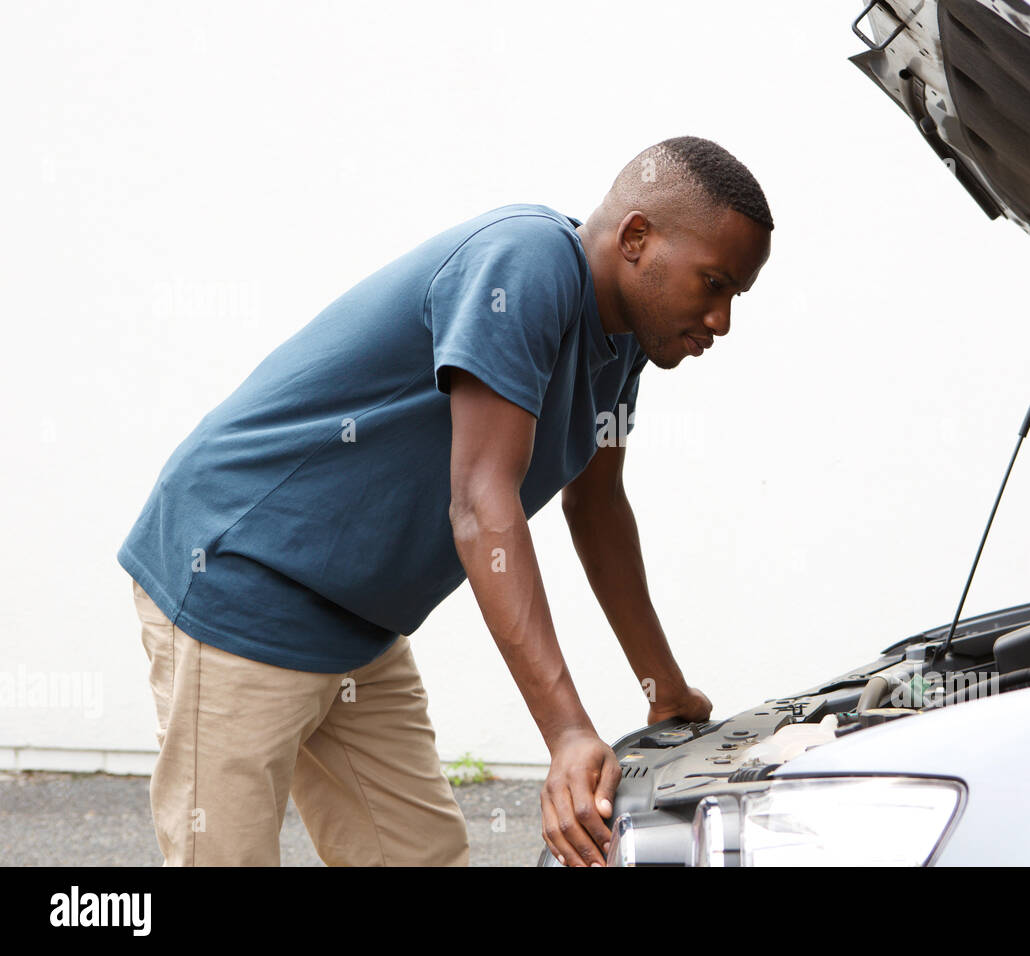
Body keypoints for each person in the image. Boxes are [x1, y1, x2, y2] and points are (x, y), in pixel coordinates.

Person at [119, 134, 773, 867]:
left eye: (735, 296)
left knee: (422, 858)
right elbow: (480, 502)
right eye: (713, 283)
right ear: (636, 237)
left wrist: (664, 687)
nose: (721, 320)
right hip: (239, 582)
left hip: (357, 629)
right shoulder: (525, 264)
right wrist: (565, 733)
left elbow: (597, 510)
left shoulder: (621, 345)